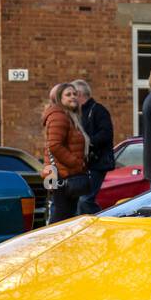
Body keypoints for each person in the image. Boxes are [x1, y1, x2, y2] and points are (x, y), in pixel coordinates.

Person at [41, 82, 89, 224]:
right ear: (59, 99)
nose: (73, 97)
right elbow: (54, 145)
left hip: (63, 174)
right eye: (68, 95)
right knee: (60, 218)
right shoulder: (59, 116)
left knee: (64, 216)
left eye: (75, 94)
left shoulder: (70, 116)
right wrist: (75, 162)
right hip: (62, 175)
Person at [72, 78, 115, 215]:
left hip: (97, 162)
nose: (72, 98)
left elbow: (106, 134)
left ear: (79, 94)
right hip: (85, 163)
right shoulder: (78, 113)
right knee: (81, 200)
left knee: (85, 199)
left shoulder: (98, 110)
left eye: (73, 94)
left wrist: (86, 143)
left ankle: (102, 221)